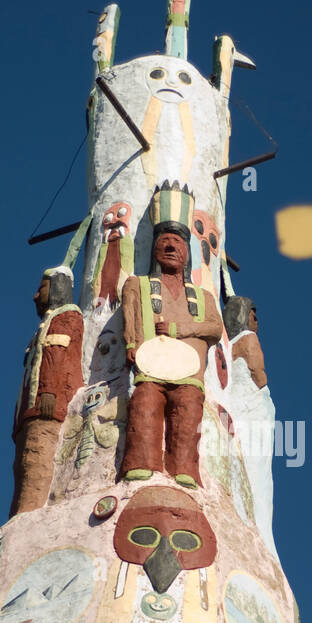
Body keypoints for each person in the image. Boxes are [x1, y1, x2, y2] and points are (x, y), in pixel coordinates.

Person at [119, 183, 222, 489]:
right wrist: (130, 343)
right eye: (164, 241)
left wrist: (181, 330)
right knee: (144, 404)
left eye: (177, 242)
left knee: (188, 412)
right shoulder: (137, 285)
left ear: (187, 252)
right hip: (151, 366)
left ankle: (184, 469)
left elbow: (215, 328)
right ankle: (141, 462)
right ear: (154, 249)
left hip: (190, 372)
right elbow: (131, 316)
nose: (170, 247)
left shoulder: (203, 297)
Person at [10, 266, 84, 515]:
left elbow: (56, 353)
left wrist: (50, 391)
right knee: (21, 463)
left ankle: (29, 510)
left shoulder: (66, 316)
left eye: (41, 288)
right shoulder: (47, 322)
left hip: (46, 405)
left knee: (35, 456)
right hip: (29, 409)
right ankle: (21, 511)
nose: (35, 296)